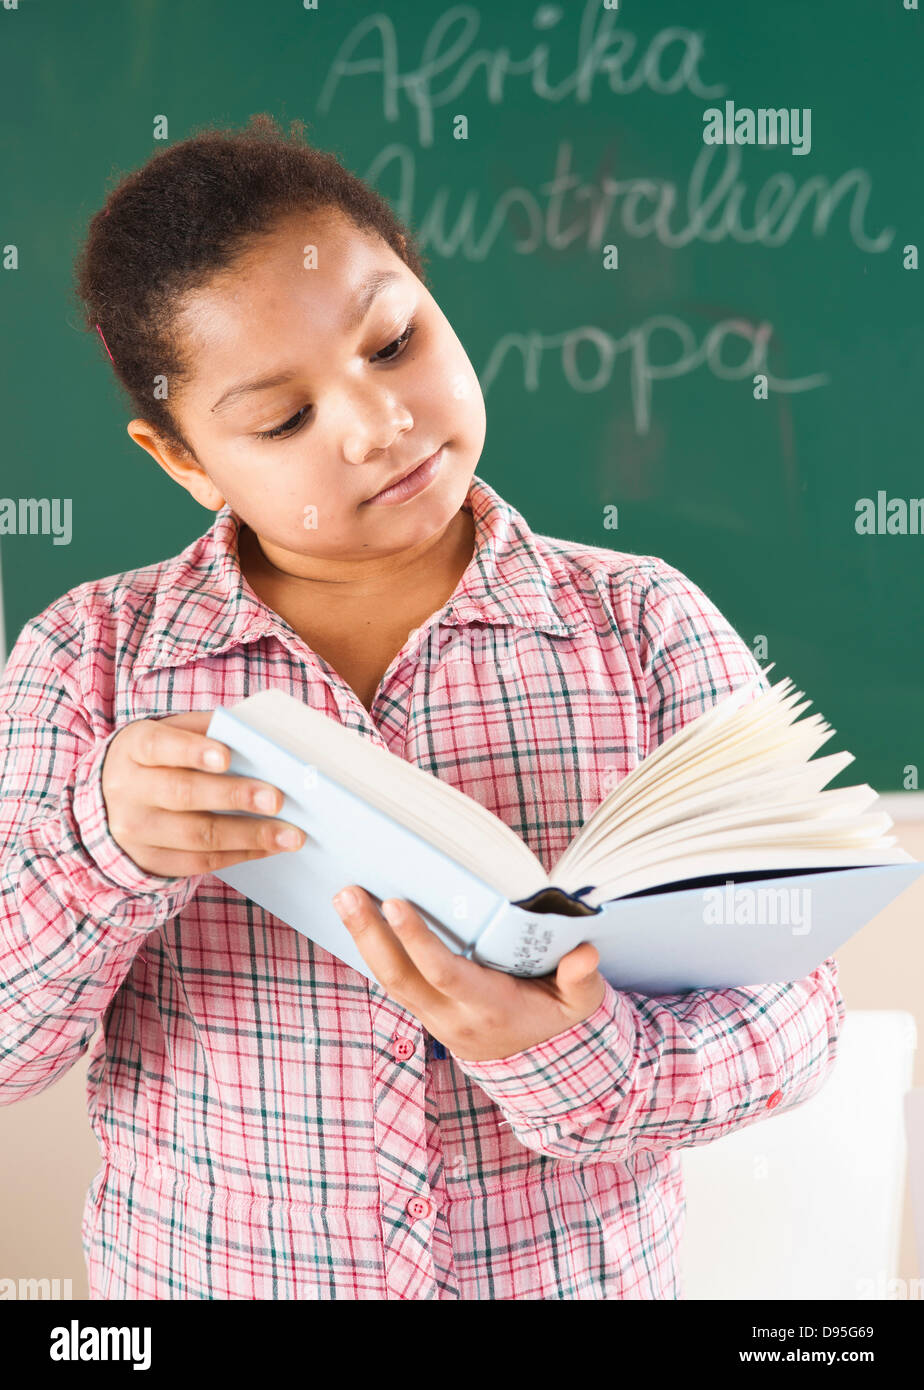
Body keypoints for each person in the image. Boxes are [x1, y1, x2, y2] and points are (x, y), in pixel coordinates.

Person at [0, 114, 844, 1300]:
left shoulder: (646, 627)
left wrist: (573, 1055)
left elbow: (797, 1013)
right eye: (283, 420)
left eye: (394, 341)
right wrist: (103, 848)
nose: (376, 422)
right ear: (185, 459)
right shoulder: (90, 660)